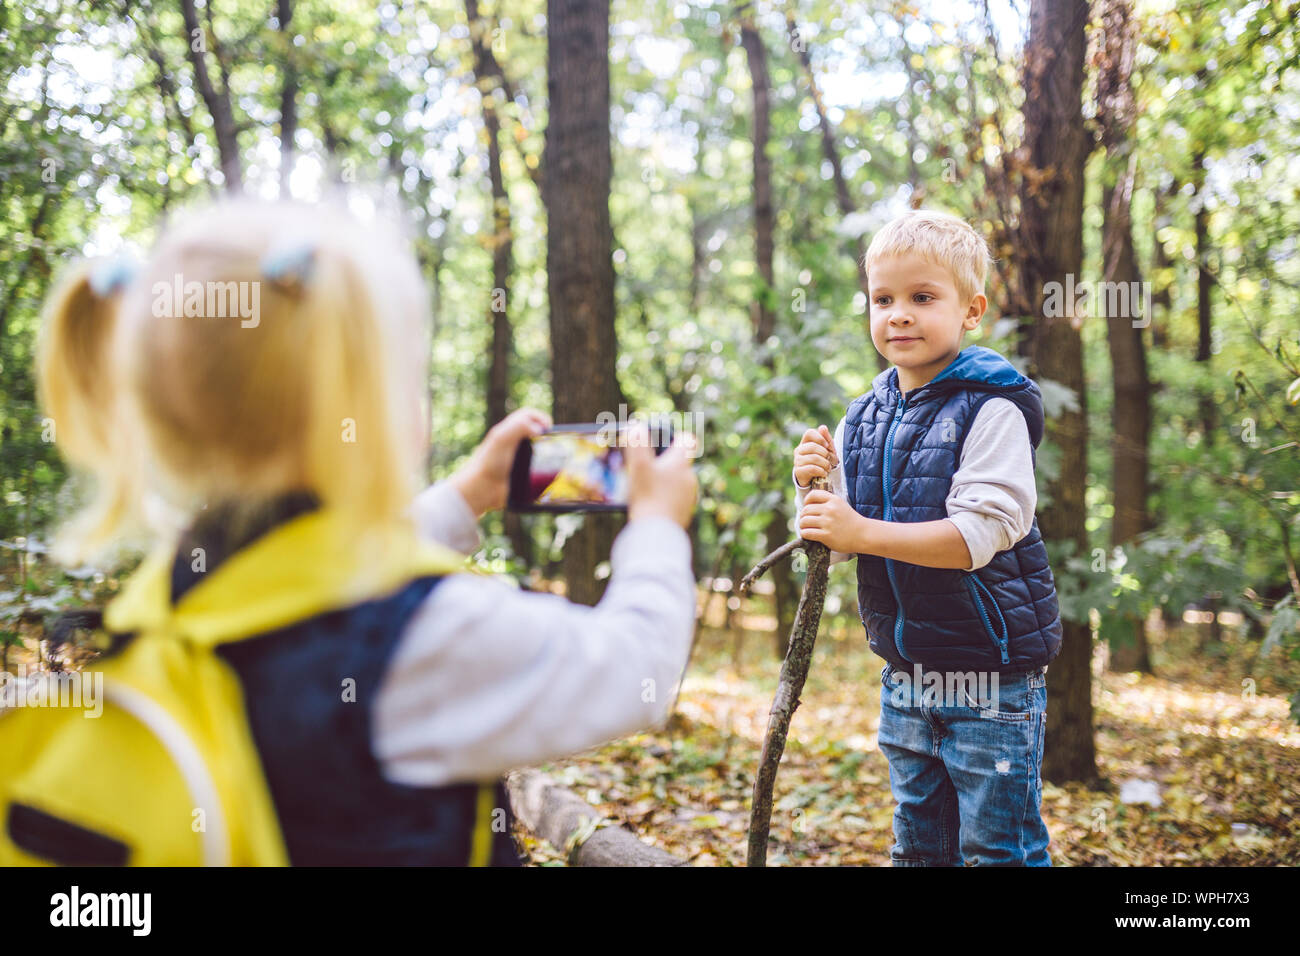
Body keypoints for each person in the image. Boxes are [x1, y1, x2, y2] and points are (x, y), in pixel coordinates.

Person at [33, 197, 699, 865]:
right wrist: (657, 526)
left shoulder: (177, 588)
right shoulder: (432, 636)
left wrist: (468, 496)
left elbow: (316, 583)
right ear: (360, 411)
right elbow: (634, 670)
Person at [791, 208, 1062, 866]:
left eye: (922, 297)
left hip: (991, 678)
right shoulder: (867, 414)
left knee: (996, 848)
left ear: (971, 311)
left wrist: (858, 527)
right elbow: (843, 537)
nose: (899, 315)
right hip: (906, 675)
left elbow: (982, 532)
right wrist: (812, 488)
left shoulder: (991, 407)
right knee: (918, 844)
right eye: (883, 299)